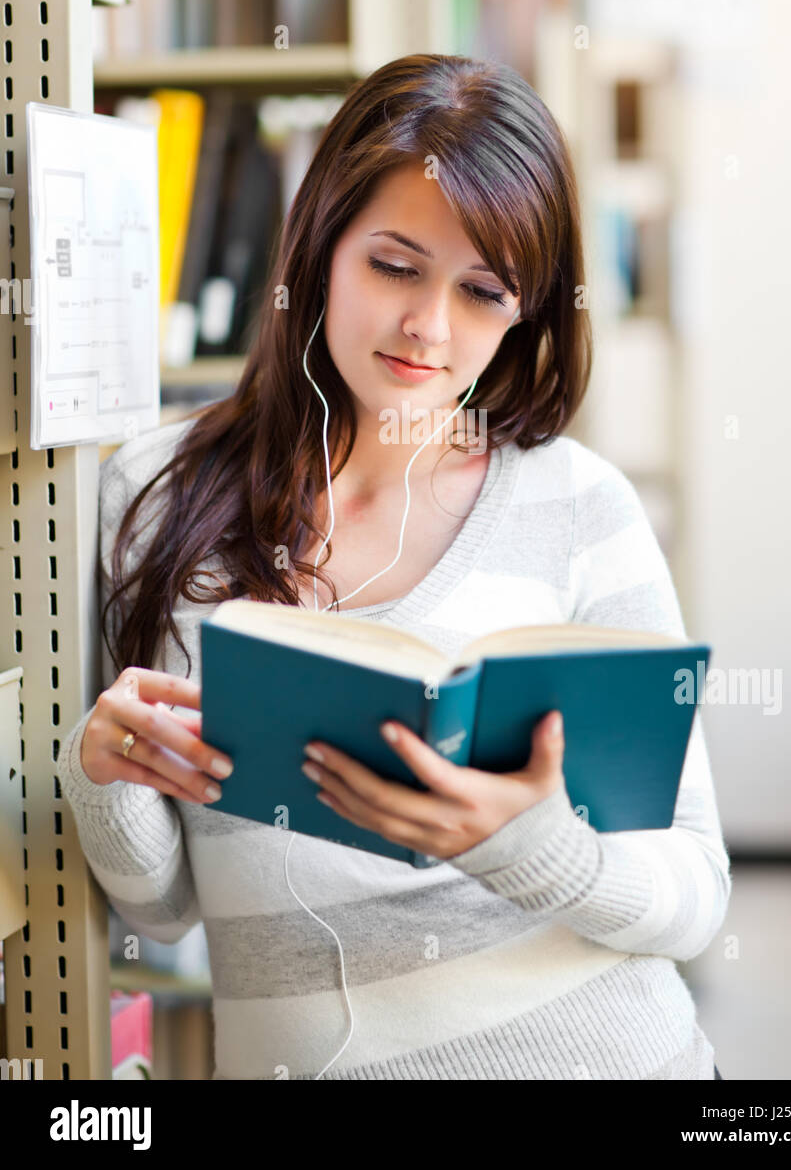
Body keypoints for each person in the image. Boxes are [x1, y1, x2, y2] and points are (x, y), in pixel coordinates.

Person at [57, 53, 731, 1080]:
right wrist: (104, 772)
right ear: (321, 242)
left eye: (482, 291)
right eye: (393, 264)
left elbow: (693, 895)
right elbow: (162, 906)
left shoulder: (578, 506)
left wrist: (523, 842)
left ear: (526, 311)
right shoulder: (154, 497)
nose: (429, 326)